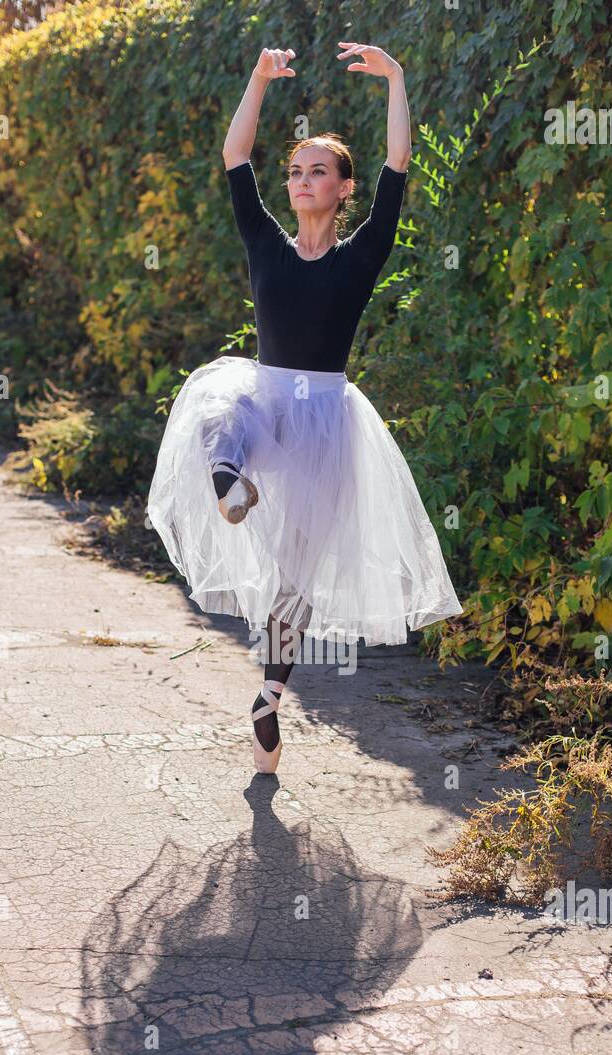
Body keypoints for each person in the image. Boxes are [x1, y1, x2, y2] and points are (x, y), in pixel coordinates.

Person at [147, 42, 462, 774]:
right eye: (295, 170)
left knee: (295, 578)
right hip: (267, 401)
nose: (301, 180)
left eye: (318, 170)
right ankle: (231, 480)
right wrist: (258, 79)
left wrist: (399, 81)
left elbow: (398, 165)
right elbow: (234, 156)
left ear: (343, 189)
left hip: (325, 421)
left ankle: (268, 701)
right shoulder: (264, 242)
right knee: (217, 405)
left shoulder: (362, 253)